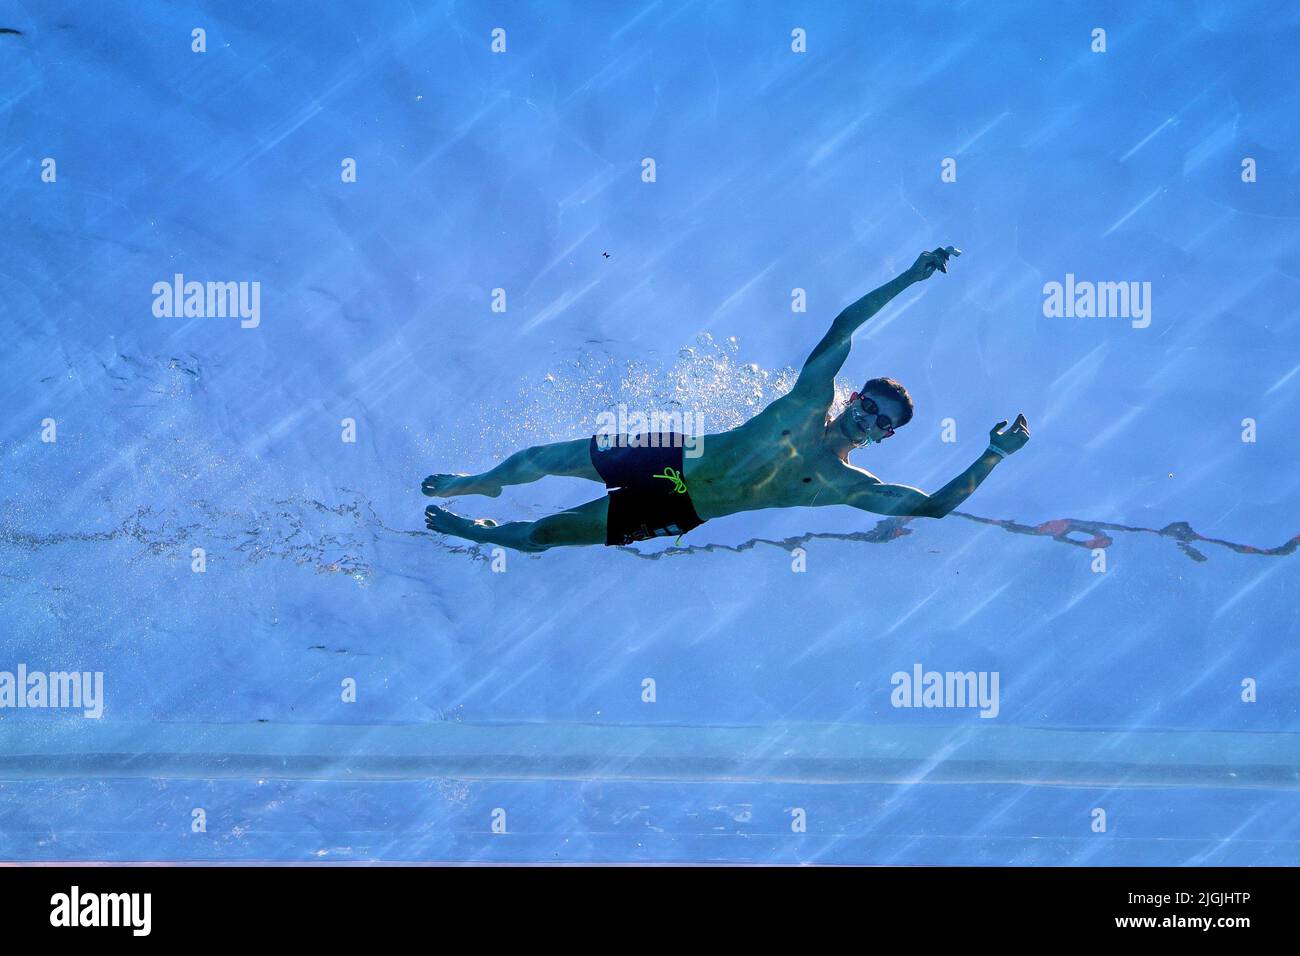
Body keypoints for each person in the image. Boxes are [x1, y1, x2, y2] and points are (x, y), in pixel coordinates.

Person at [423, 246, 1029, 552]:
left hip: (680, 510)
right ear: (852, 397)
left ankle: (482, 533)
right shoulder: (804, 404)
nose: (867, 417)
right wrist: (910, 276)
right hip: (665, 455)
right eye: (868, 403)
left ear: (883, 438)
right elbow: (843, 328)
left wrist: (994, 455)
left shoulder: (846, 485)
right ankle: (481, 480)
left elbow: (933, 508)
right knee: (539, 460)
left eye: (880, 422)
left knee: (546, 536)